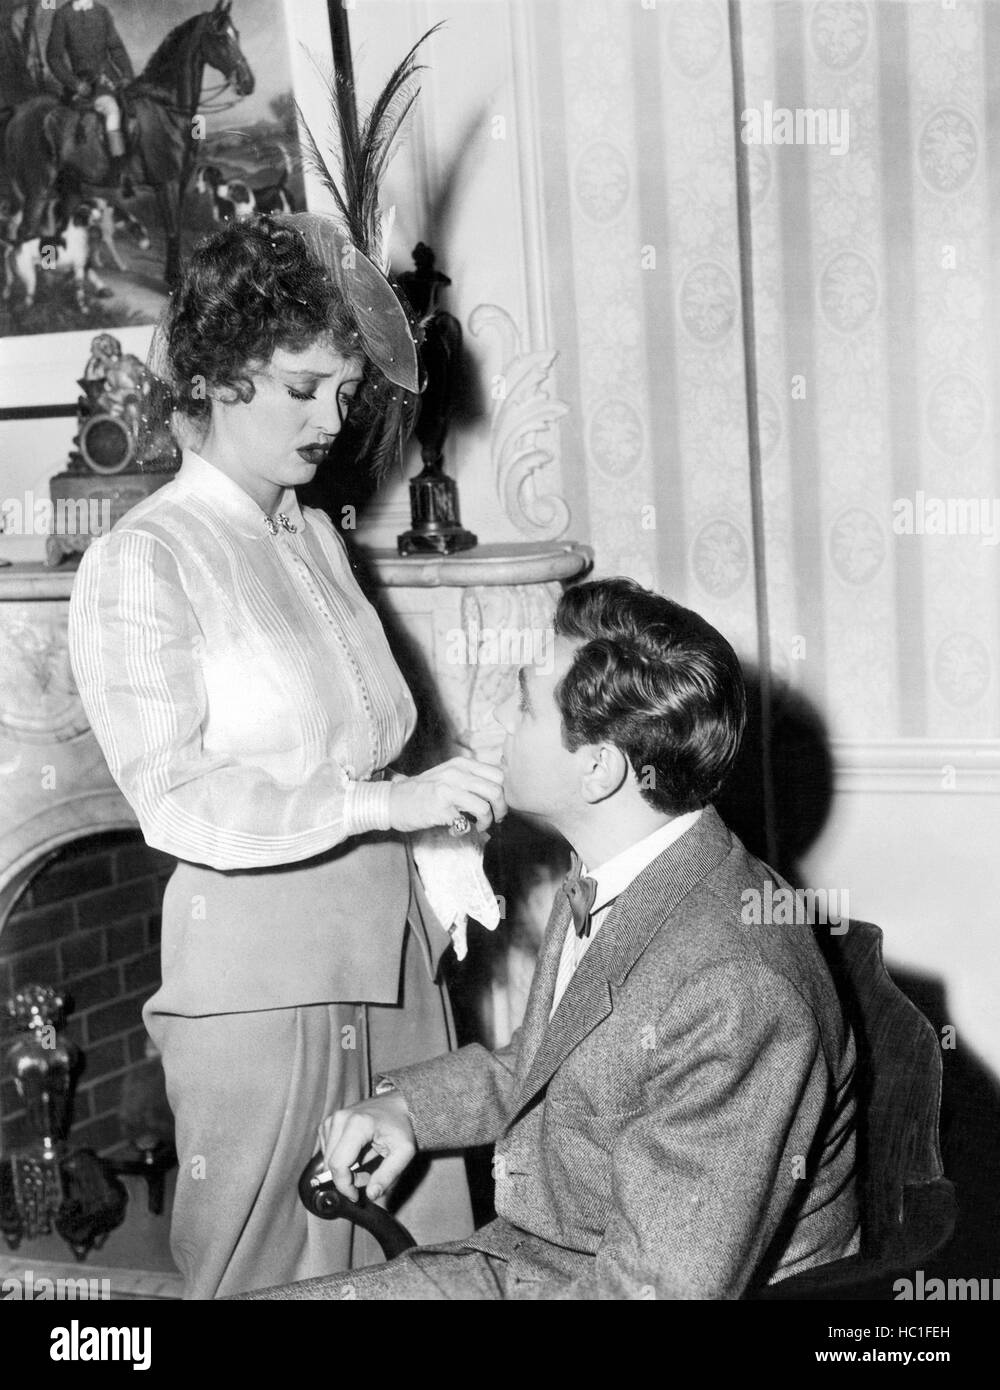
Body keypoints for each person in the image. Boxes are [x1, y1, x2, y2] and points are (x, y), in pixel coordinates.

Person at [68, 213, 506, 1298]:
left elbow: (378, 728)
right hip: (263, 989)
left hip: (394, 955)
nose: (332, 415)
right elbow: (175, 799)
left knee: (423, 1270)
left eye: (346, 391)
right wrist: (384, 808)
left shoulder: (311, 534)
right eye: (303, 386)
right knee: (265, 1280)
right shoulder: (145, 560)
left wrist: (442, 829)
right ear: (216, 379)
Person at [240, 578, 860, 1300]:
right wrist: (407, 1108)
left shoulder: (734, 990)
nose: (505, 718)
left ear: (598, 768)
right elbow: (557, 1066)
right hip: (541, 1267)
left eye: (529, 706)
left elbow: (654, 1291)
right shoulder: (621, 872)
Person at [45, 0, 134, 196]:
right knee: (112, 111)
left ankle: (129, 168)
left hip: (108, 80)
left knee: (133, 109)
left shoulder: (102, 11)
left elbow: (116, 48)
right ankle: (118, 172)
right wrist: (75, 84)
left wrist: (127, 74)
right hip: (81, 84)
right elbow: (54, 57)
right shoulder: (63, 15)